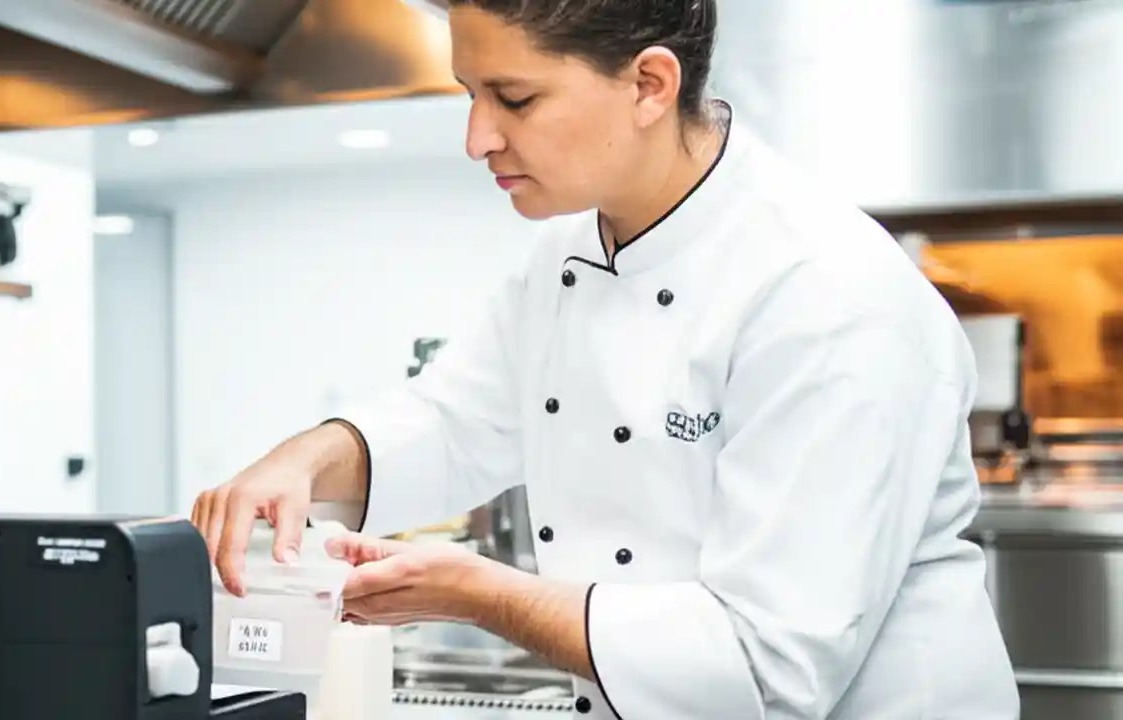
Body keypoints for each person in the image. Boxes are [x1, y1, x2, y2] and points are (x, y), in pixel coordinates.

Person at [191, 1, 1020, 717]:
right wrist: (309, 456)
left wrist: (479, 596)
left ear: (649, 85)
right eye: (470, 95)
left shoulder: (827, 294)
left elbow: (766, 669)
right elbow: (458, 419)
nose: (478, 137)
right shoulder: (565, 253)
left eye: (514, 98)